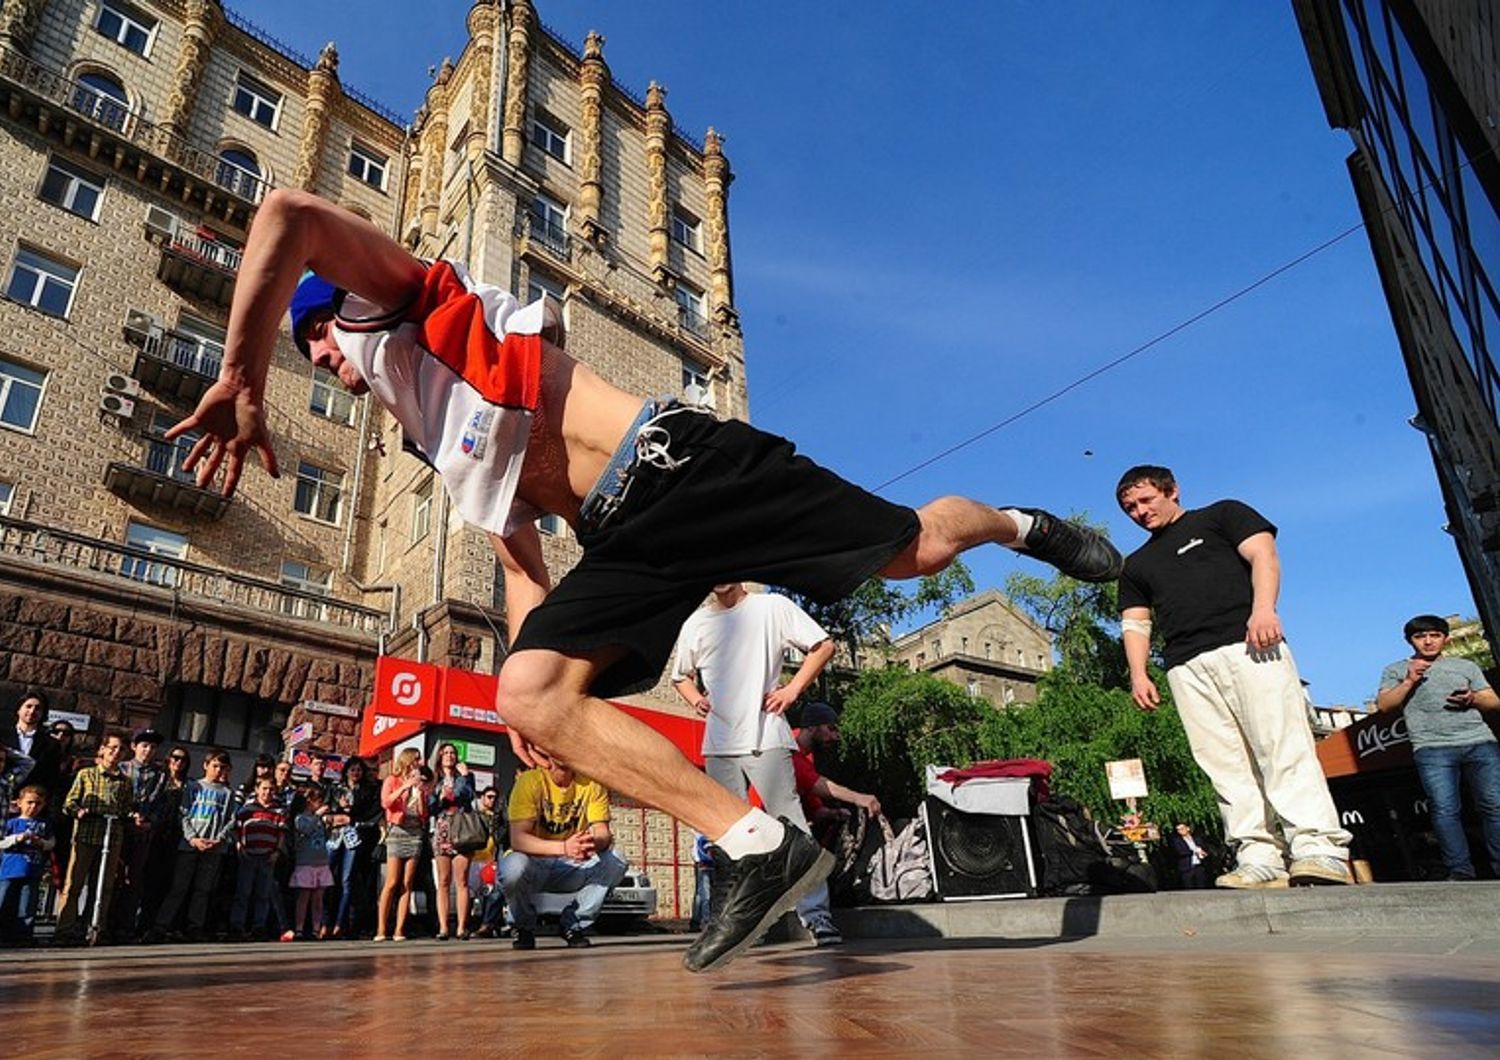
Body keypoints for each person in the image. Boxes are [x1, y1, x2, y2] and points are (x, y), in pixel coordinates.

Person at [167, 187, 1123, 972]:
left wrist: (241, 374)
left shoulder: (400, 304)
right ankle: (761, 848)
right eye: (308, 357)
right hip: (622, 537)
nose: (324, 364)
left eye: (316, 341)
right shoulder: (428, 431)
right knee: (528, 693)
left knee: (911, 548)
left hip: (677, 463)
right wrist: (537, 707)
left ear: (337, 308)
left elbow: (287, 215)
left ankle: (1021, 524)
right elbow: (519, 564)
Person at [1115, 465, 1351, 888]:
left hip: (1248, 643)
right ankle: (1259, 856)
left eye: (1146, 500)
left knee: (1281, 746)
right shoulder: (1137, 564)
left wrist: (1264, 609)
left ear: (1172, 490)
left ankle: (1320, 849)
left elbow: (1264, 554)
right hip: (1186, 665)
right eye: (1130, 507)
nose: (1139, 511)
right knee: (1224, 764)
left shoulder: (1222, 515)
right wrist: (1138, 673)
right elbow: (1134, 622)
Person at [1375, 614, 1500, 880]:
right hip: (1431, 748)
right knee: (1445, 809)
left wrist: (1473, 698)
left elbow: (1493, 701)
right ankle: (1461, 870)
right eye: (1420, 636)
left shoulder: (1465, 666)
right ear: (1410, 641)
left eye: (1434, 635)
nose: (1428, 641)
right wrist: (1409, 682)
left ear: (1445, 637)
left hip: (1479, 741)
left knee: (1494, 805)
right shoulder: (1396, 670)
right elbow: (1384, 705)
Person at [500, 755, 628, 950]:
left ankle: (573, 924)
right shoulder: (530, 781)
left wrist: (592, 843)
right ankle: (523, 927)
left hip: (570, 865)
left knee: (616, 861)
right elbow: (518, 840)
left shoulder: (592, 784)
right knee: (513, 866)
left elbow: (603, 832)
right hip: (535, 863)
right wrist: (563, 847)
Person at [787, 701, 881, 946]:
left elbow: (808, 799)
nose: (835, 735)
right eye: (830, 728)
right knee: (812, 862)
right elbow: (820, 785)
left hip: (775, 822)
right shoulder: (788, 750)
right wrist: (860, 798)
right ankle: (818, 922)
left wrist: (828, 813)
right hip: (765, 822)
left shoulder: (805, 757)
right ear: (812, 727)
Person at [149, 748, 237, 942]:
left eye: (222, 767)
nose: (218, 770)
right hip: (189, 846)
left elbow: (231, 820)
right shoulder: (193, 787)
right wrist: (193, 838)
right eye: (214, 766)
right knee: (179, 887)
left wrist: (219, 839)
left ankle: (195, 926)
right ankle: (161, 925)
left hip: (214, 848)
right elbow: (184, 814)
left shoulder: (227, 793)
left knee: (203, 890)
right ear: (205, 765)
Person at [53, 731, 131, 944]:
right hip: (87, 835)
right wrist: (78, 811)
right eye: (112, 748)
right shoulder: (86, 775)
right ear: (102, 750)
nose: (115, 753)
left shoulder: (125, 782)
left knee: (104, 885)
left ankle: (95, 925)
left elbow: (126, 809)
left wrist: (132, 817)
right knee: (74, 884)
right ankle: (65, 928)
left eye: (121, 749)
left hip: (111, 838)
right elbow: (69, 803)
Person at [112, 728, 167, 938]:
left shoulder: (160, 775)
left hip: (143, 833)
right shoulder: (123, 768)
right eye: (144, 745)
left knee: (134, 879)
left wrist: (150, 822)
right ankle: (106, 921)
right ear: (135, 747)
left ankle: (127, 925)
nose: (148, 750)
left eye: (153, 747)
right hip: (120, 829)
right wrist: (129, 815)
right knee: (114, 876)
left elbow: (161, 805)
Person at [375, 748, 430, 942]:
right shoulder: (393, 779)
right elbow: (386, 802)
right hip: (397, 831)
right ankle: (381, 928)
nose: (419, 763)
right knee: (391, 882)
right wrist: (405, 786)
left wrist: (419, 791)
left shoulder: (420, 783)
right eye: (416, 759)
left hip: (415, 832)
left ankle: (399, 929)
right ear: (408, 760)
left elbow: (424, 814)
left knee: (407, 883)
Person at [427, 742, 476, 940]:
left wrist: (463, 778)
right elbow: (430, 807)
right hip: (442, 830)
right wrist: (438, 797)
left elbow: (467, 796)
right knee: (444, 880)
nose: (449, 756)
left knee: (462, 880)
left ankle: (462, 927)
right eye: (445, 753)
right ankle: (443, 927)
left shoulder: (465, 777)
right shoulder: (434, 779)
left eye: (452, 753)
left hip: (462, 829)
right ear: (440, 757)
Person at [325, 756, 378, 938]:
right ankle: (325, 922)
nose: (356, 773)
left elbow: (370, 815)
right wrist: (334, 815)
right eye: (352, 769)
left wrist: (351, 817)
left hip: (353, 839)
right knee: (327, 879)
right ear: (346, 771)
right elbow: (325, 812)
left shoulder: (366, 791)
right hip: (334, 838)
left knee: (347, 880)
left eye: (359, 770)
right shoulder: (335, 789)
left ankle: (341, 923)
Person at [229, 776, 288, 941]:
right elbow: (235, 828)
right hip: (248, 854)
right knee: (243, 892)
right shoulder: (247, 809)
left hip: (267, 855)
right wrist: (239, 845)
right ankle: (237, 926)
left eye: (270, 789)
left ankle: (259, 927)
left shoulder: (278, 809)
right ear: (257, 790)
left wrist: (277, 850)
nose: (267, 792)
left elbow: (281, 832)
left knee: (263, 894)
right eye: (264, 788)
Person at [0, 785, 54, 945]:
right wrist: (16, 839)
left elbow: (51, 843)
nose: (33, 807)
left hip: (32, 870)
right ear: (19, 803)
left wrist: (41, 843)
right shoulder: (10, 823)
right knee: (4, 901)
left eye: (38, 804)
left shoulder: (44, 824)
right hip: (9, 870)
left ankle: (23, 936)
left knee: (27, 905)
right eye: (29, 802)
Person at [289, 785, 339, 940]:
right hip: (305, 862)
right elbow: (306, 830)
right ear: (308, 801)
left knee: (318, 898)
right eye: (317, 800)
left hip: (321, 862)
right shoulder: (300, 818)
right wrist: (317, 816)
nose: (320, 803)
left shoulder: (319, 820)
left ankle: (316, 928)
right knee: (303, 897)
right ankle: (299, 928)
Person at [3, 691, 61, 797]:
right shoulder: (2, 736)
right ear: (19, 709)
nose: (32, 711)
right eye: (28, 706)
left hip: (30, 804)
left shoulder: (51, 744)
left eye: (38, 708)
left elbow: (51, 778)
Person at [469, 785, 509, 939]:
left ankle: (493, 924)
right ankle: (473, 923)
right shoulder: (476, 814)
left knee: (495, 890)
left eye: (494, 797)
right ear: (482, 797)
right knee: (475, 894)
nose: (492, 800)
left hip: (490, 858)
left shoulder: (496, 813)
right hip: (474, 860)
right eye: (489, 796)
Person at [1169, 823, 1212, 890]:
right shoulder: (1177, 841)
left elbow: (1206, 848)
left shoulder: (1197, 839)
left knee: (1202, 886)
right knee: (1189, 888)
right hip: (1187, 867)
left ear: (1188, 829)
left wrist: (1205, 853)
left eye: (1182, 829)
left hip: (1199, 866)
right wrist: (1195, 851)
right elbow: (1180, 852)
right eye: (1178, 830)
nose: (1180, 831)